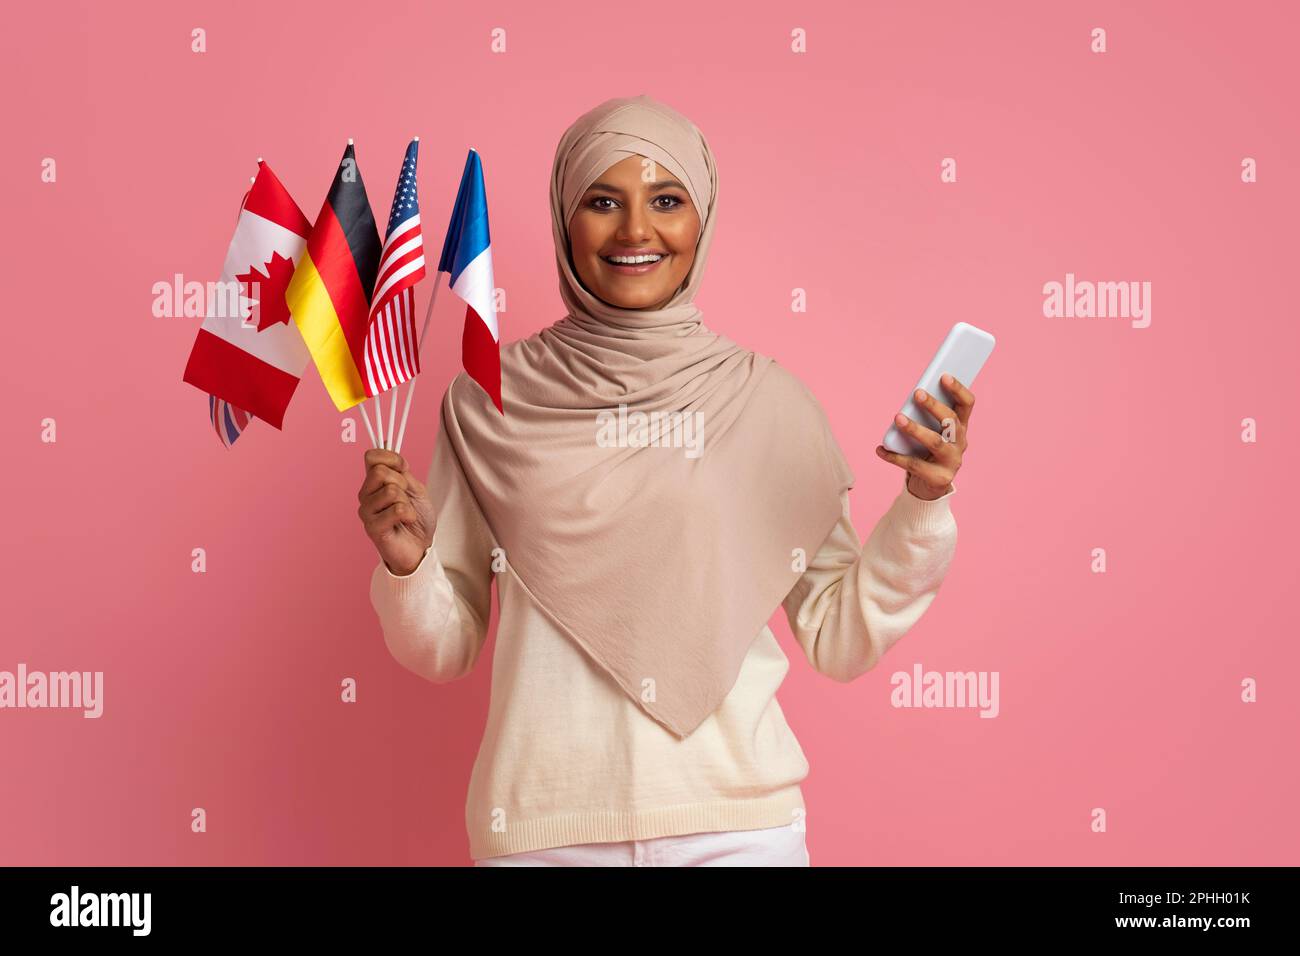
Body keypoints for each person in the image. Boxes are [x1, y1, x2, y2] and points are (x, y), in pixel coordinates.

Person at [358, 94, 974, 867]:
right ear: (564, 220)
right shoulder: (488, 399)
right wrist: (407, 563)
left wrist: (923, 504)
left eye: (667, 201)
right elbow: (444, 649)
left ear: (702, 220)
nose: (636, 231)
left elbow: (839, 636)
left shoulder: (768, 403)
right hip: (542, 836)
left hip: (740, 830)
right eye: (603, 201)